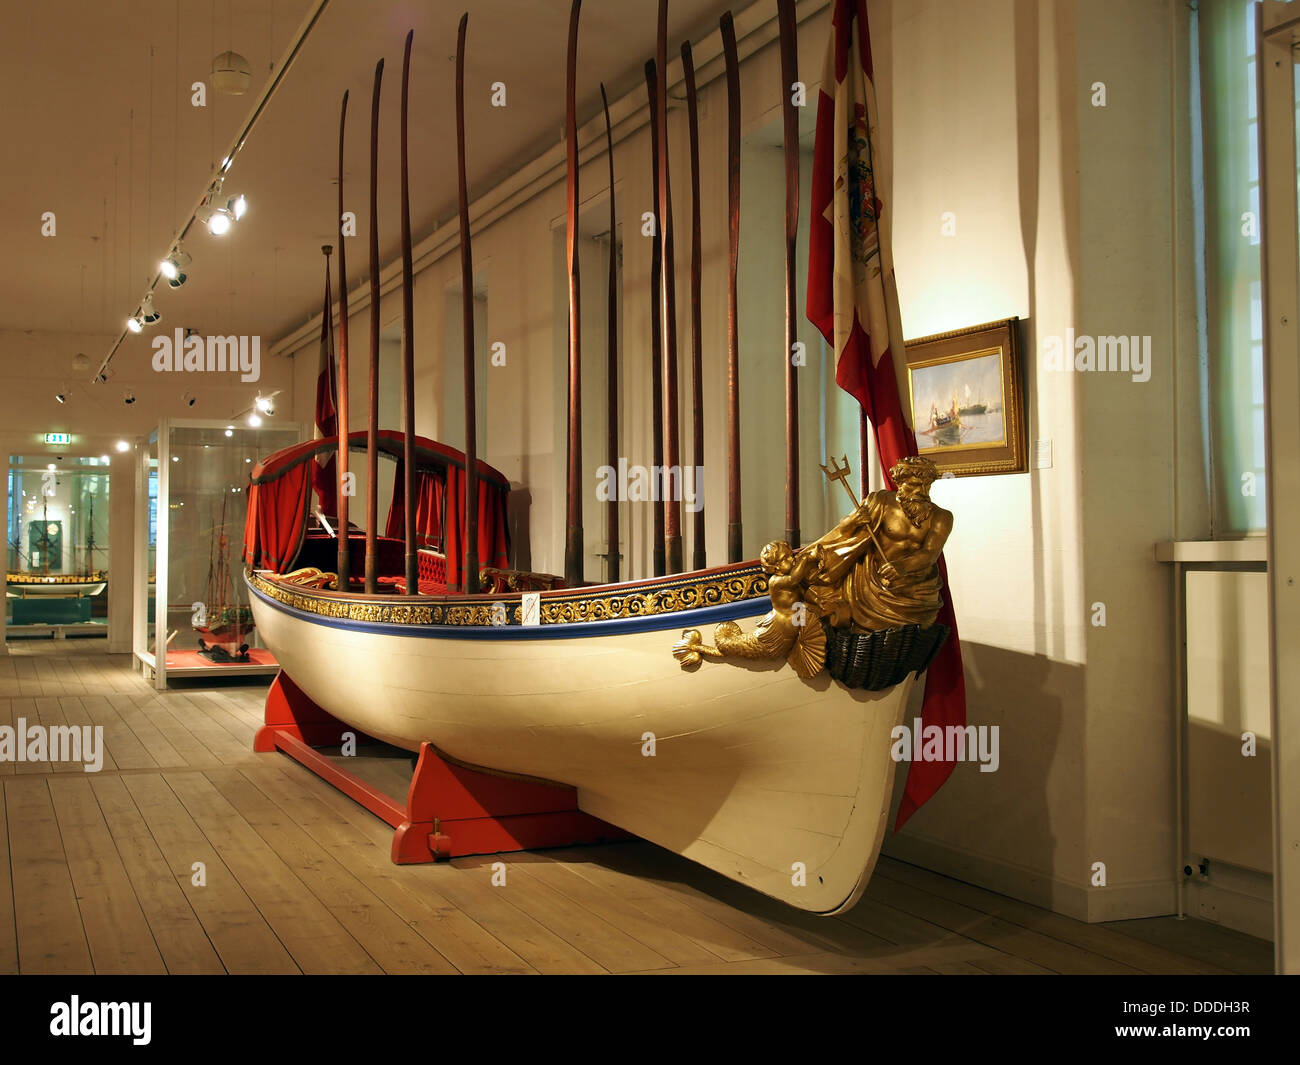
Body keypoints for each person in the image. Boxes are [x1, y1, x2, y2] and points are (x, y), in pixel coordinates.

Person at [800, 454, 951, 631]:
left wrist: (902, 566)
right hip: (869, 583)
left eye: (925, 486)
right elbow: (844, 531)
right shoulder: (880, 502)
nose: (920, 491)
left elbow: (930, 554)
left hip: (914, 586)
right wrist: (854, 521)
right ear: (900, 483)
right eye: (913, 485)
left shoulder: (942, 517)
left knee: (911, 634)